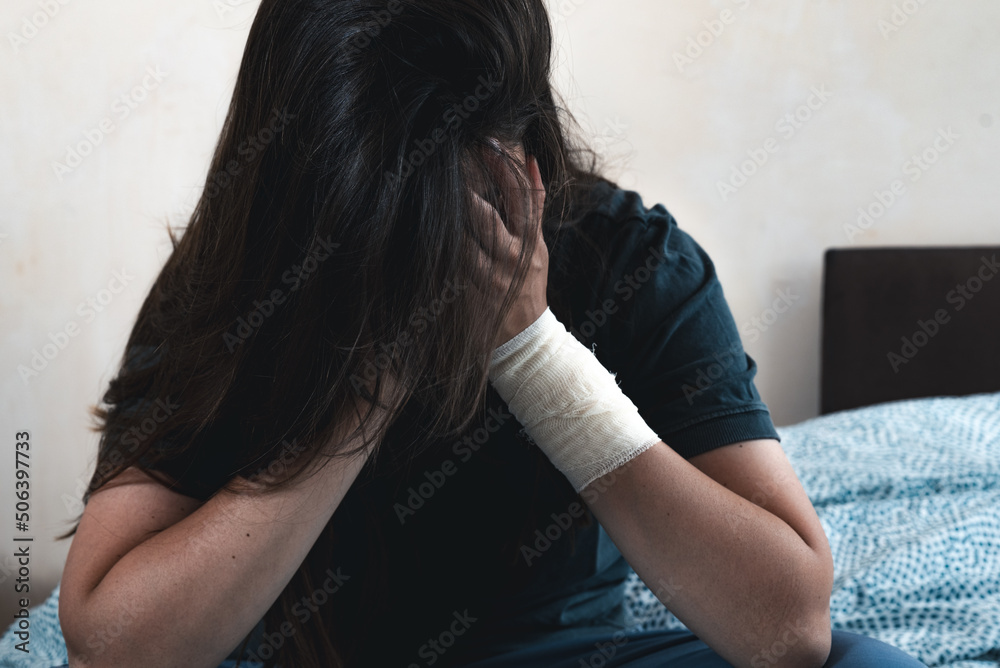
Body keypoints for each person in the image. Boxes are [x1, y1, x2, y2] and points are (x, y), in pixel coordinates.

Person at [56, 1, 928, 667]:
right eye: (376, 203)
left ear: (521, 156)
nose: (412, 235)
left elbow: (791, 628)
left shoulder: (632, 260)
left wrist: (531, 350)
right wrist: (375, 375)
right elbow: (109, 638)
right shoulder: (237, 274)